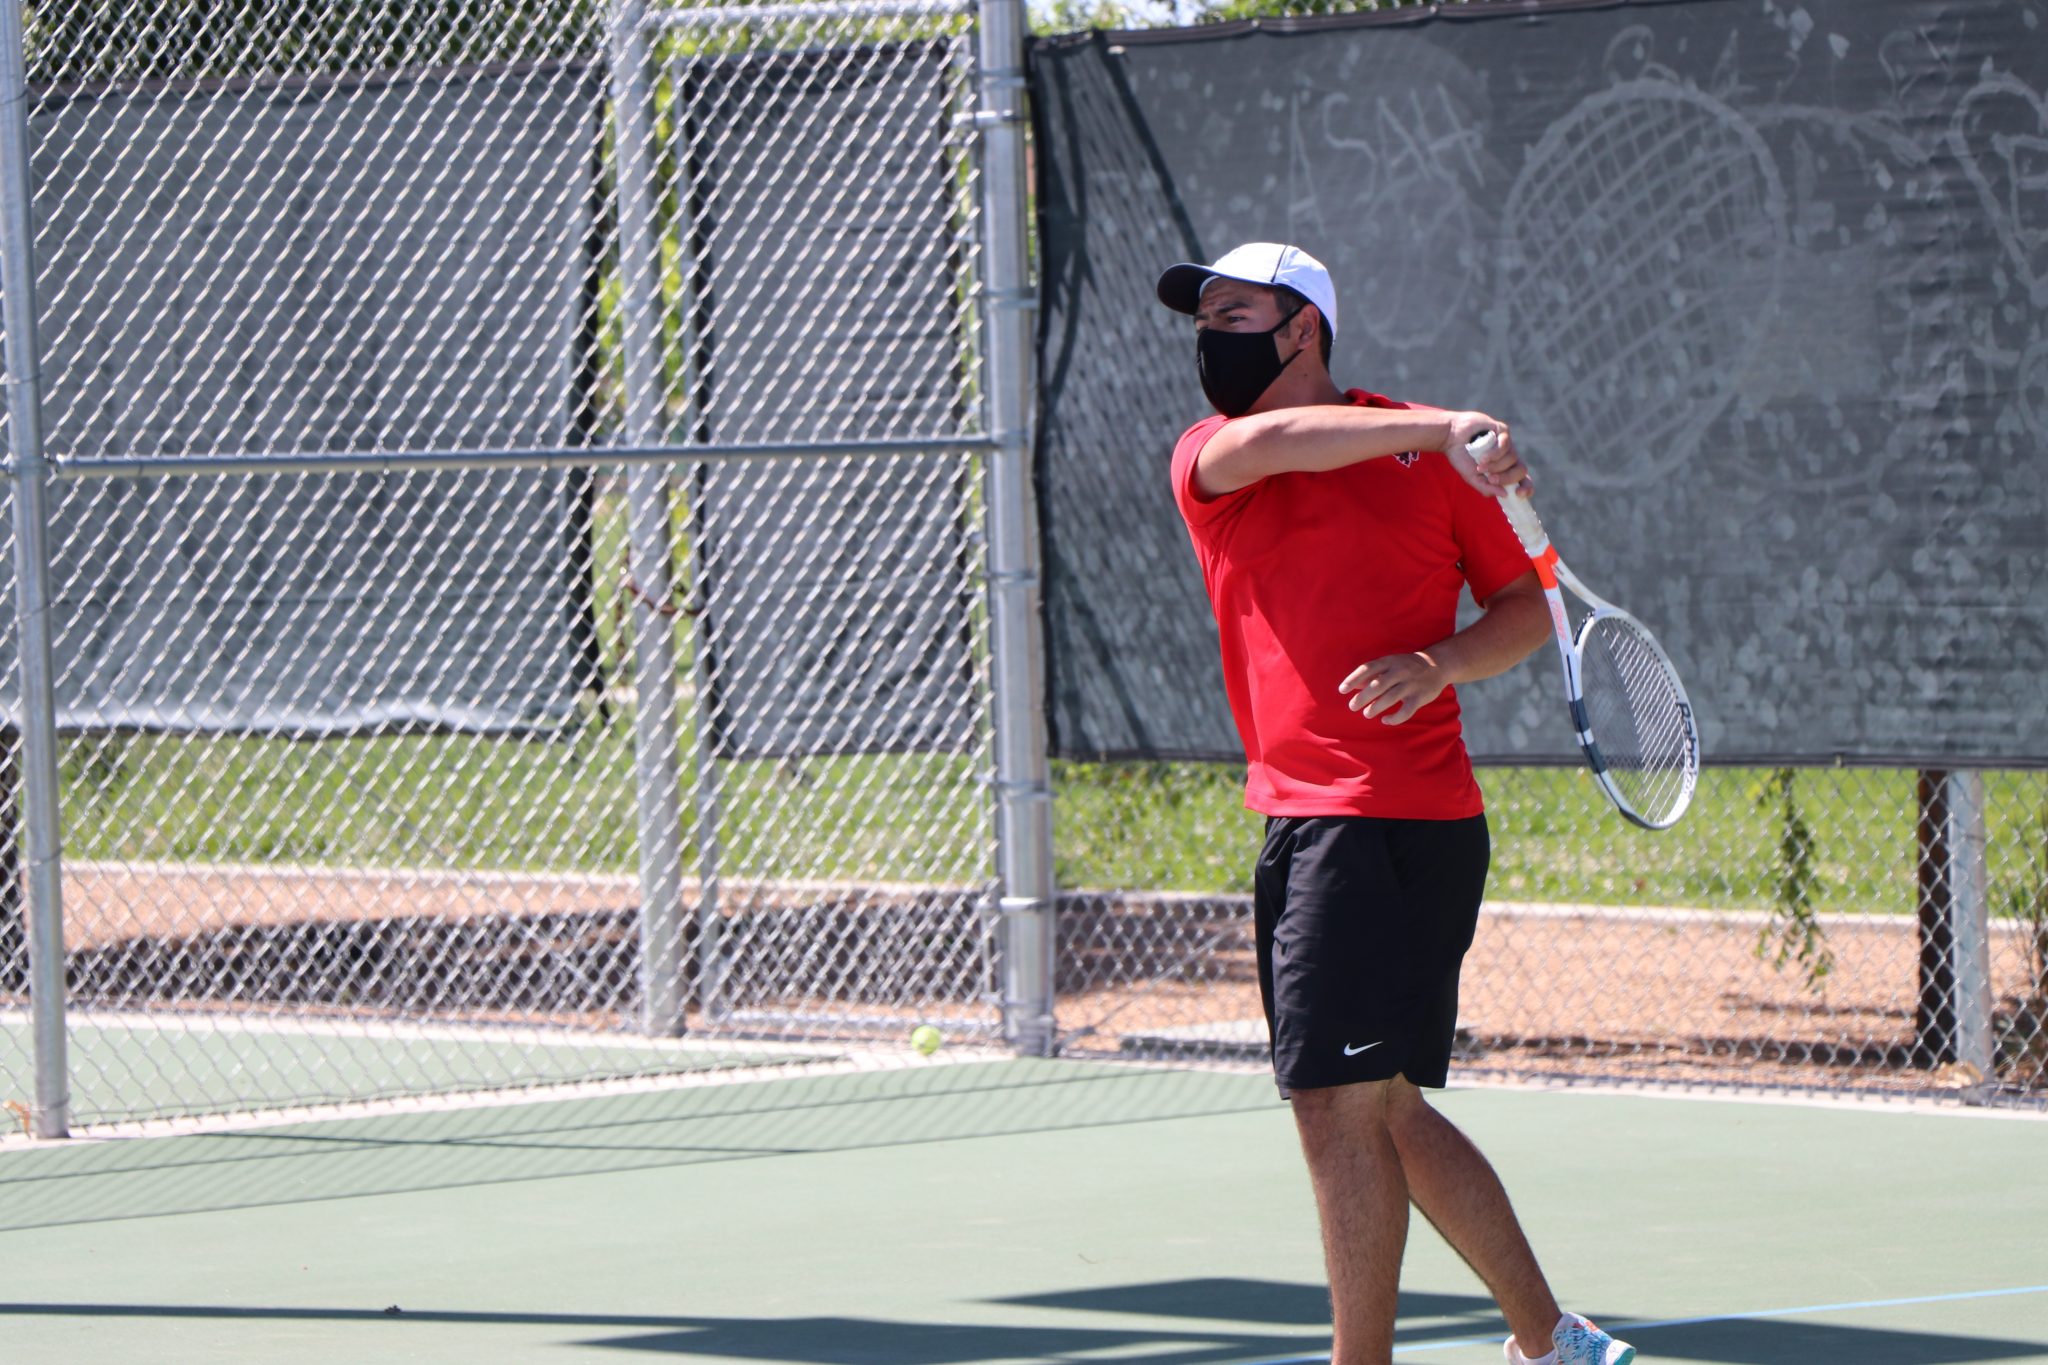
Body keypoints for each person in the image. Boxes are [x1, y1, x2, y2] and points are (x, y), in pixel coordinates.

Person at [1155, 242, 1637, 1365]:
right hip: (1304, 820)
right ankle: (1550, 1342)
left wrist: (1438, 661)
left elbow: (1523, 610)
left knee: (1338, 1111)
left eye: (1231, 312)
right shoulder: (1214, 456)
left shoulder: (1436, 467)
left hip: (1401, 827)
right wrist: (1443, 427)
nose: (1206, 334)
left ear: (1300, 330)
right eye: (1200, 318)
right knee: (1383, 1115)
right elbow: (1275, 441)